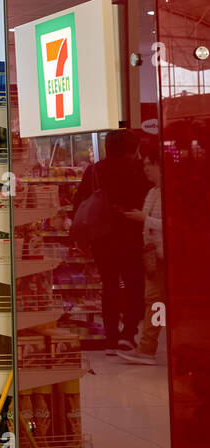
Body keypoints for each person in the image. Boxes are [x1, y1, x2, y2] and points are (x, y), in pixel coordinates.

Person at [71, 129, 149, 354]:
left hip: (102, 238)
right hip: (132, 235)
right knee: (134, 285)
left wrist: (81, 238)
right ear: (132, 148)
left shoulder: (95, 170)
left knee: (110, 286)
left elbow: (80, 204)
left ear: (108, 147)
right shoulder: (138, 170)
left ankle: (111, 338)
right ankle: (129, 333)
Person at [119, 143, 165, 365]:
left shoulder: (172, 192)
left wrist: (144, 219)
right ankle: (148, 347)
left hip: (166, 257)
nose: (145, 168)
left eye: (150, 164)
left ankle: (148, 348)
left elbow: (173, 224)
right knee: (154, 301)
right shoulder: (152, 192)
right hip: (153, 258)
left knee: (156, 302)